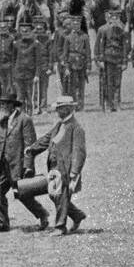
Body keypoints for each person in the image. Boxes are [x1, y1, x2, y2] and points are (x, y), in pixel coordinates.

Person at [26, 95, 87, 236]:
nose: (57, 111)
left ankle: (60, 227)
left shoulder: (76, 128)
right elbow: (47, 139)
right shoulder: (59, 125)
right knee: (54, 195)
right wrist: (32, 148)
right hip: (54, 167)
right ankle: (77, 215)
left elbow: (79, 152)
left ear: (67, 109)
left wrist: (74, 172)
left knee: (61, 196)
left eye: (60, 108)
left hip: (65, 169)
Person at [0, 91, 48, 232]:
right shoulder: (2, 121)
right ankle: (2, 223)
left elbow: (30, 145)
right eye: (1, 104)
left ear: (12, 105)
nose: (2, 107)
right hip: (2, 165)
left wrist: (28, 166)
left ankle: (43, 214)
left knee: (23, 194)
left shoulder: (24, 120)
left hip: (17, 165)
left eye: (5, 104)